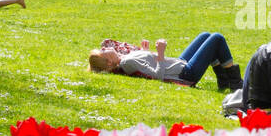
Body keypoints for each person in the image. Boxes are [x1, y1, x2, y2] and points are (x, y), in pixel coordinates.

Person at [88, 32, 241, 90]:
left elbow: (147, 64)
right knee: (216, 39)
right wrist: (160, 53)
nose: (104, 48)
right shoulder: (126, 64)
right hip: (185, 73)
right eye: (102, 52)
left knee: (205, 36)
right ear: (108, 62)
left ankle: (223, 81)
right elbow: (157, 77)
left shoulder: (124, 58)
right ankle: (234, 82)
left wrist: (145, 51)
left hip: (178, 63)